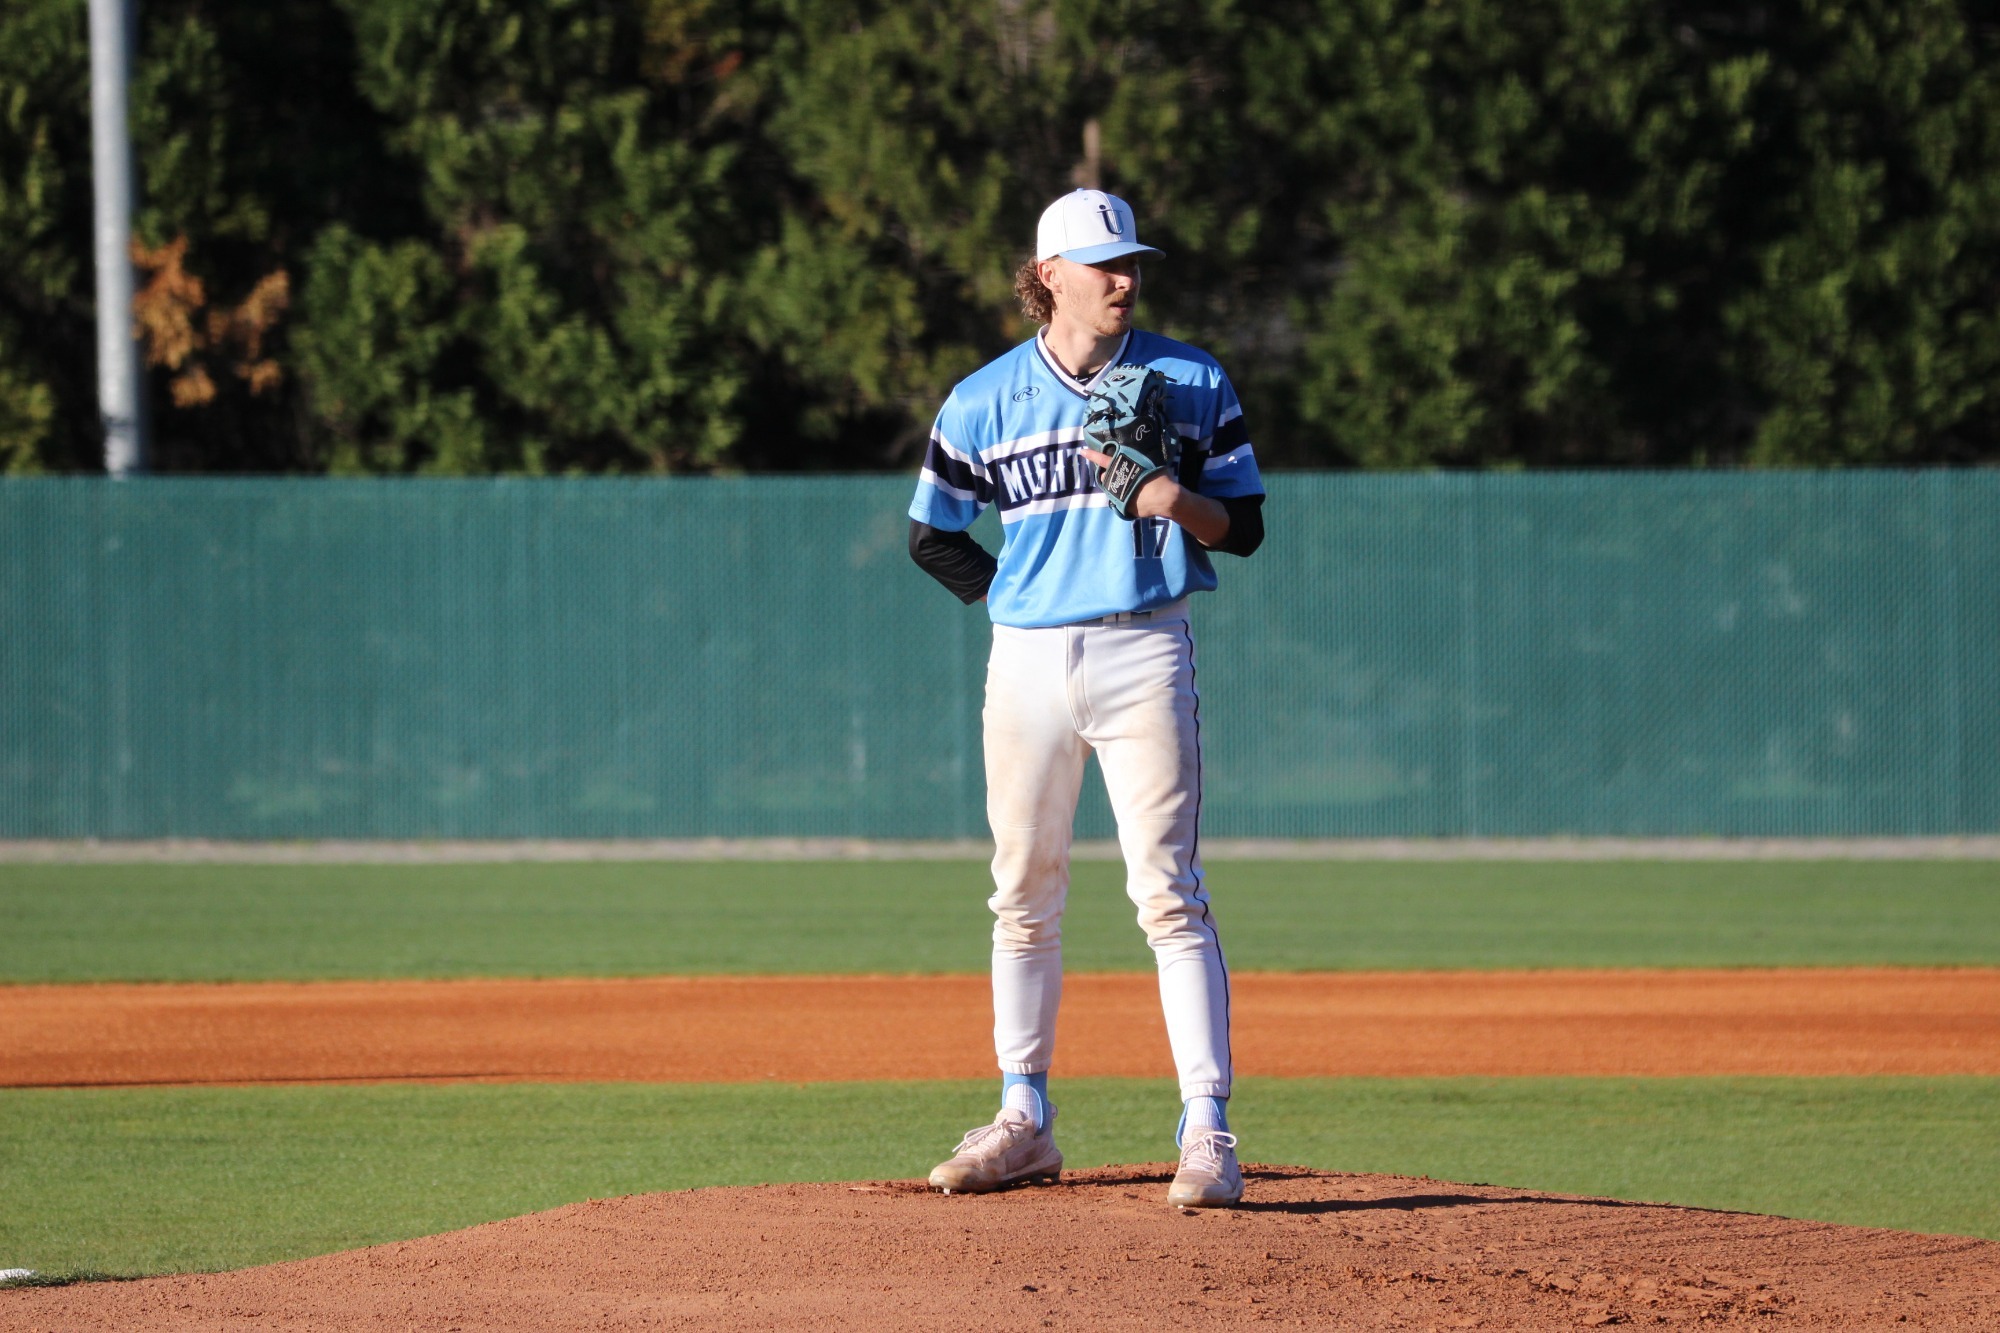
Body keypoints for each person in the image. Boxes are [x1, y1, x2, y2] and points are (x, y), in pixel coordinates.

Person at [906, 188, 1266, 1208]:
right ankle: (1022, 1117)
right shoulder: (981, 398)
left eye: (1130, 261)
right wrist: (1016, 603)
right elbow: (930, 533)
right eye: (1100, 263)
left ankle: (1207, 1128)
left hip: (1145, 647)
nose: (1122, 278)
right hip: (1024, 660)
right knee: (1021, 890)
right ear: (1046, 277)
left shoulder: (1187, 379)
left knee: (1166, 893)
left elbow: (1241, 527)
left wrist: (1171, 500)